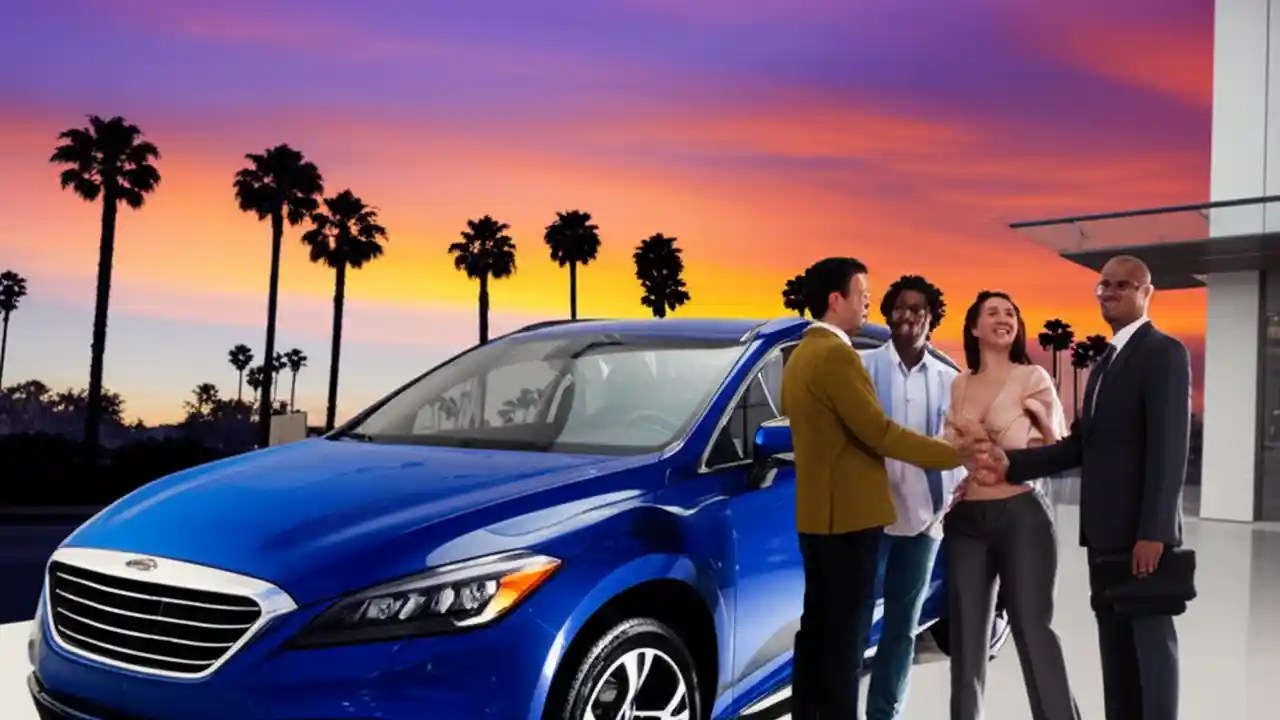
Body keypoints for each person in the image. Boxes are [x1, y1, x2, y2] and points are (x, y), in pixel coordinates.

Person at [965, 256, 1190, 720]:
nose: (1109, 292)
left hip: (1142, 537)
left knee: (1152, 647)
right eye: (1103, 285)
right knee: (1115, 650)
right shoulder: (1107, 363)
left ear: (1146, 292)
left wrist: (1156, 532)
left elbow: (1170, 450)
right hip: (1104, 535)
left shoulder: (1163, 352)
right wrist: (1013, 463)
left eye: (1122, 285)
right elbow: (1080, 446)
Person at [781, 257, 971, 720]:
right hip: (852, 519)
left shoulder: (803, 353)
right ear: (836, 298)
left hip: (825, 517)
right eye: (862, 294)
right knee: (846, 639)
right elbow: (880, 433)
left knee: (821, 631)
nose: (866, 301)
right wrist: (956, 454)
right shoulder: (839, 356)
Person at [942, 290, 1080, 720]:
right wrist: (962, 478)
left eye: (1010, 313)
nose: (1004, 319)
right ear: (973, 327)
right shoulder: (960, 383)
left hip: (1022, 517)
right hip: (967, 522)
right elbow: (951, 447)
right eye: (993, 312)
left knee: (1033, 631)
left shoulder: (1033, 377)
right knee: (967, 644)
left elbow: (1055, 447)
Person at [856, 274, 965, 720]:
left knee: (901, 629)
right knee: (857, 624)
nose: (908, 316)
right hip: (868, 519)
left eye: (918, 309)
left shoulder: (948, 379)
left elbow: (957, 443)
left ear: (931, 319)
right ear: (888, 312)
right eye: (900, 307)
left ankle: (883, 713)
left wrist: (947, 504)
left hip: (923, 523)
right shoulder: (862, 368)